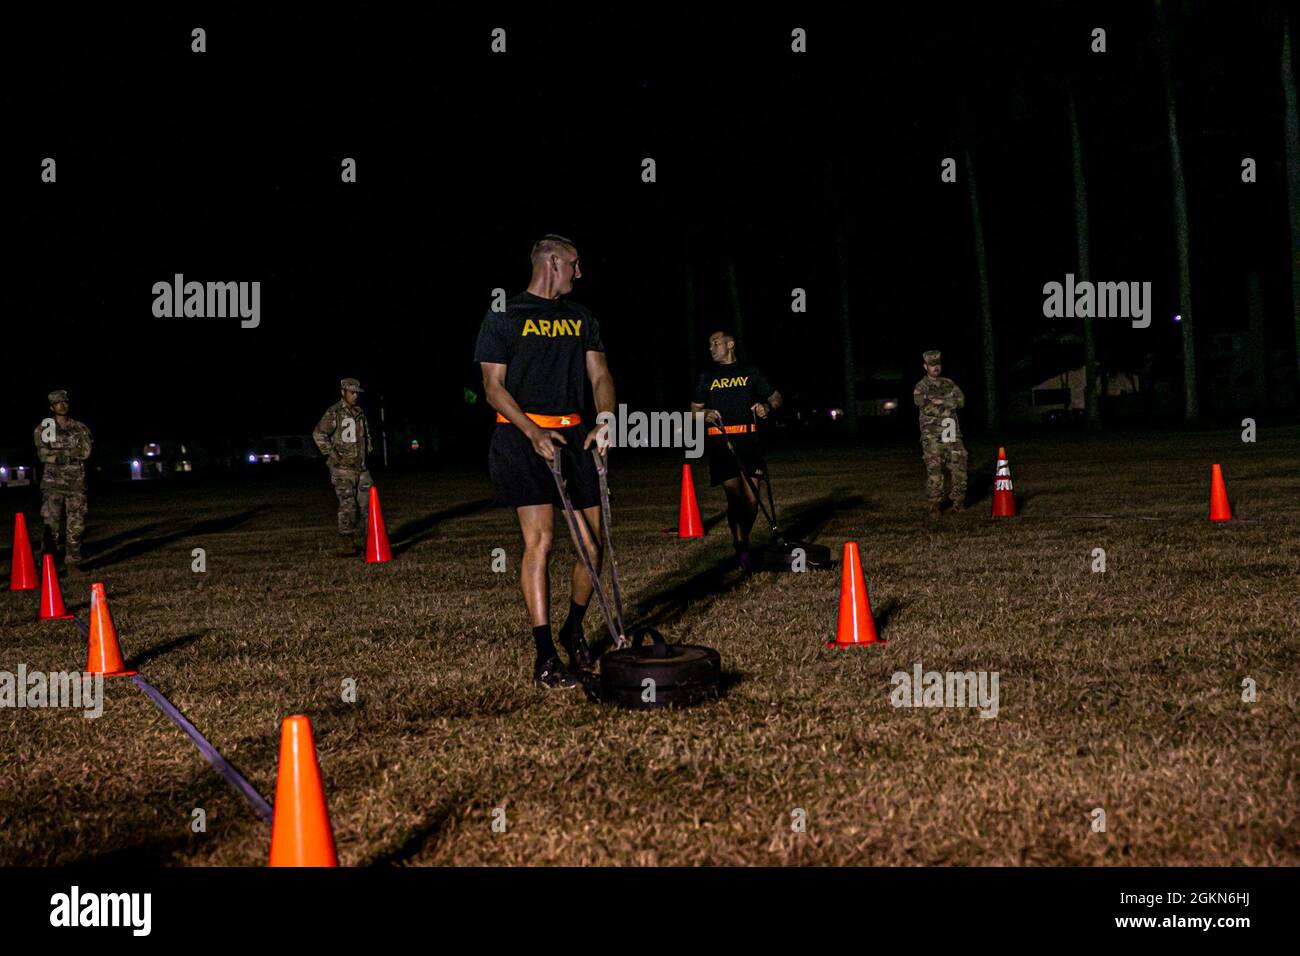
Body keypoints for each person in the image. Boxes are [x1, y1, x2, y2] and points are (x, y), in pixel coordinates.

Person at [474, 234, 615, 690]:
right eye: (575, 263)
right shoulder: (504, 314)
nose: (580, 272)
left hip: (574, 437)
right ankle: (545, 657)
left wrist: (607, 419)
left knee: (592, 550)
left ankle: (573, 627)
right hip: (521, 437)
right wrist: (532, 432)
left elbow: (600, 375)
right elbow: (493, 387)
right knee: (542, 540)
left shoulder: (582, 317)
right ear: (553, 262)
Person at [690, 330, 782, 572]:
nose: (711, 348)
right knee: (734, 497)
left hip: (749, 442)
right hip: (721, 443)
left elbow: (776, 397)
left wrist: (766, 407)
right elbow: (694, 410)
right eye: (709, 343)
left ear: (730, 344)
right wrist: (704, 414)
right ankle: (741, 546)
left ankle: (742, 538)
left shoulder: (750, 372)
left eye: (716, 343)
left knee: (752, 500)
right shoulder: (707, 376)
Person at [32, 389, 93, 570]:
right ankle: (48, 562)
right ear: (52, 407)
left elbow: (86, 451)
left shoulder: (79, 427)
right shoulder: (46, 427)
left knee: (77, 524)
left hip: (76, 483)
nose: (63, 405)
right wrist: (66, 455)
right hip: (53, 484)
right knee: (51, 525)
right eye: (58, 403)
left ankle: (73, 559)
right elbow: (43, 454)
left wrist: (60, 453)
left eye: (65, 402)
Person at [312, 377, 374, 555]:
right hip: (342, 470)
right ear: (343, 392)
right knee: (348, 506)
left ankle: (371, 540)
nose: (355, 396)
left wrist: (369, 445)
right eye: (351, 392)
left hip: (361, 468)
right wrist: (333, 455)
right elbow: (318, 434)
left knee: (368, 505)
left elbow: (364, 433)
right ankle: (347, 544)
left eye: (356, 393)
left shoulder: (359, 412)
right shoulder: (334, 412)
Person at [912, 350, 967, 516]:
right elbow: (925, 406)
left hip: (951, 432)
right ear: (925, 366)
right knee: (935, 469)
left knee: (959, 466)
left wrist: (942, 401)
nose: (936, 368)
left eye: (938, 365)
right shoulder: (921, 387)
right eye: (932, 365)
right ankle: (934, 504)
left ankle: (958, 502)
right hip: (932, 435)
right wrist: (949, 405)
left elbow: (961, 401)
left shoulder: (949, 383)